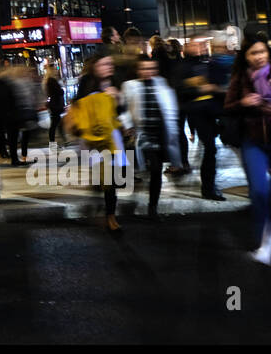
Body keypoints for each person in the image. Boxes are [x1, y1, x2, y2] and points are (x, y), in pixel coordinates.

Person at [224, 37, 271, 265]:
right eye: (253, 53)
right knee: (258, 191)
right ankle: (263, 235)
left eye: (262, 52)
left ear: (268, 53)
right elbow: (227, 107)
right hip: (253, 141)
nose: (258, 57)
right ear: (245, 56)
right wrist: (243, 103)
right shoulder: (240, 79)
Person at [67, 54, 127, 233]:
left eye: (110, 63)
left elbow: (121, 111)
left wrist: (118, 99)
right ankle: (110, 217)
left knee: (113, 179)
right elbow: (77, 108)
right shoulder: (87, 84)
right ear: (95, 67)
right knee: (106, 179)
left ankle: (108, 211)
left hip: (112, 137)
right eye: (104, 64)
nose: (109, 67)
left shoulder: (116, 83)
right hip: (93, 140)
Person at [122, 55, 180, 220]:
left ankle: (152, 206)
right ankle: (152, 208)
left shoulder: (162, 84)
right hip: (144, 134)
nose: (148, 72)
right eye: (144, 68)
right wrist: (128, 125)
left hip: (161, 134)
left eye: (151, 68)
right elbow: (123, 108)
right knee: (154, 168)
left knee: (156, 172)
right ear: (138, 70)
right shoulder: (129, 86)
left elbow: (170, 109)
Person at [178, 39, 225, 200]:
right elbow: (181, 90)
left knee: (212, 148)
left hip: (212, 111)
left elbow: (220, 85)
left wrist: (214, 89)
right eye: (195, 45)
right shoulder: (184, 67)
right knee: (210, 148)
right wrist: (202, 88)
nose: (200, 48)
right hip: (198, 112)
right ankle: (208, 188)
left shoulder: (210, 64)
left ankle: (210, 185)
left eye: (202, 45)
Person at [43, 63, 66, 148]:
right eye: (55, 69)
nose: (56, 71)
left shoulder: (49, 80)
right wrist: (61, 89)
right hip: (55, 105)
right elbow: (59, 92)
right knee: (55, 124)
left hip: (54, 104)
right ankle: (54, 143)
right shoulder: (52, 80)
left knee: (58, 123)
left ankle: (63, 140)